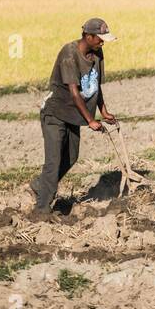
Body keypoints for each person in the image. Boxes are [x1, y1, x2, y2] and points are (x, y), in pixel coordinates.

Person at [30, 18, 117, 215]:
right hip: (56, 113)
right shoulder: (69, 55)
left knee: (71, 157)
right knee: (54, 161)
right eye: (100, 38)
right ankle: (41, 209)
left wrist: (103, 112)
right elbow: (74, 93)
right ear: (88, 36)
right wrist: (91, 120)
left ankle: (39, 184)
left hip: (74, 115)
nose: (103, 42)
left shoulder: (97, 53)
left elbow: (95, 85)